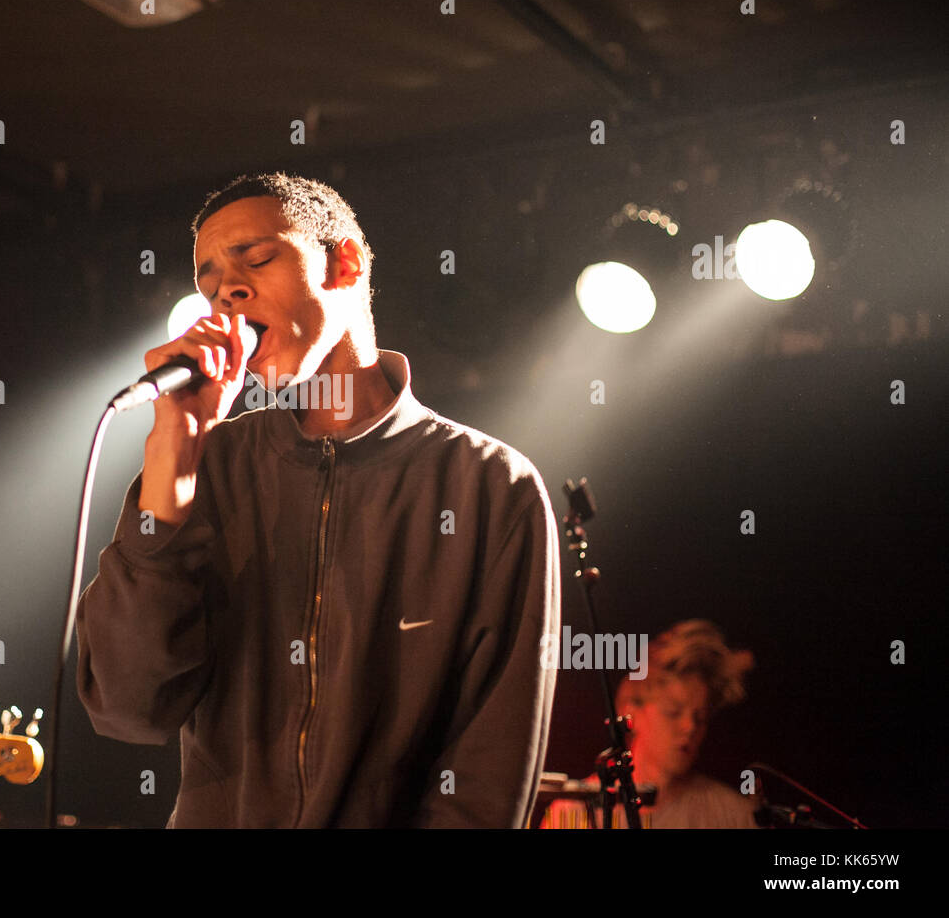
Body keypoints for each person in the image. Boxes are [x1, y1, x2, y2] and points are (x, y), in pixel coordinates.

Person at [76, 172, 561, 827]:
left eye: (256, 259)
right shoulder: (209, 467)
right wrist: (174, 455)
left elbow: (488, 774)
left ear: (345, 264)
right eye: (210, 284)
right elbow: (128, 709)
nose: (227, 292)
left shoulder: (487, 485)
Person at [540, 619, 757, 828]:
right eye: (673, 712)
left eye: (700, 718)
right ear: (630, 712)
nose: (690, 727)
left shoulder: (734, 816)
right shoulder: (573, 812)